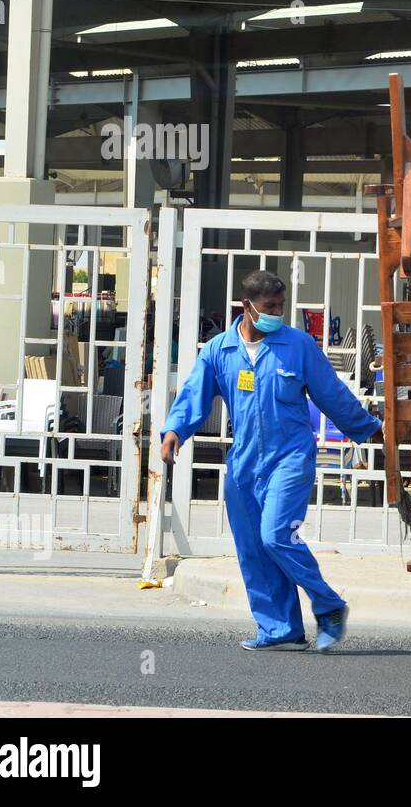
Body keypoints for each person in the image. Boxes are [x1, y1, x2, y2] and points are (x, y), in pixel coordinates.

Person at [161, 270, 383, 652]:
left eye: (281, 305)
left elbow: (331, 394)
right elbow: (195, 395)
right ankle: (280, 629)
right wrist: (174, 432)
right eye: (270, 307)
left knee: (276, 535)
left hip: (290, 457)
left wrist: (370, 429)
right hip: (245, 464)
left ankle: (328, 604)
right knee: (253, 548)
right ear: (246, 307)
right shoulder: (219, 350)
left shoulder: (297, 346)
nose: (277, 313)